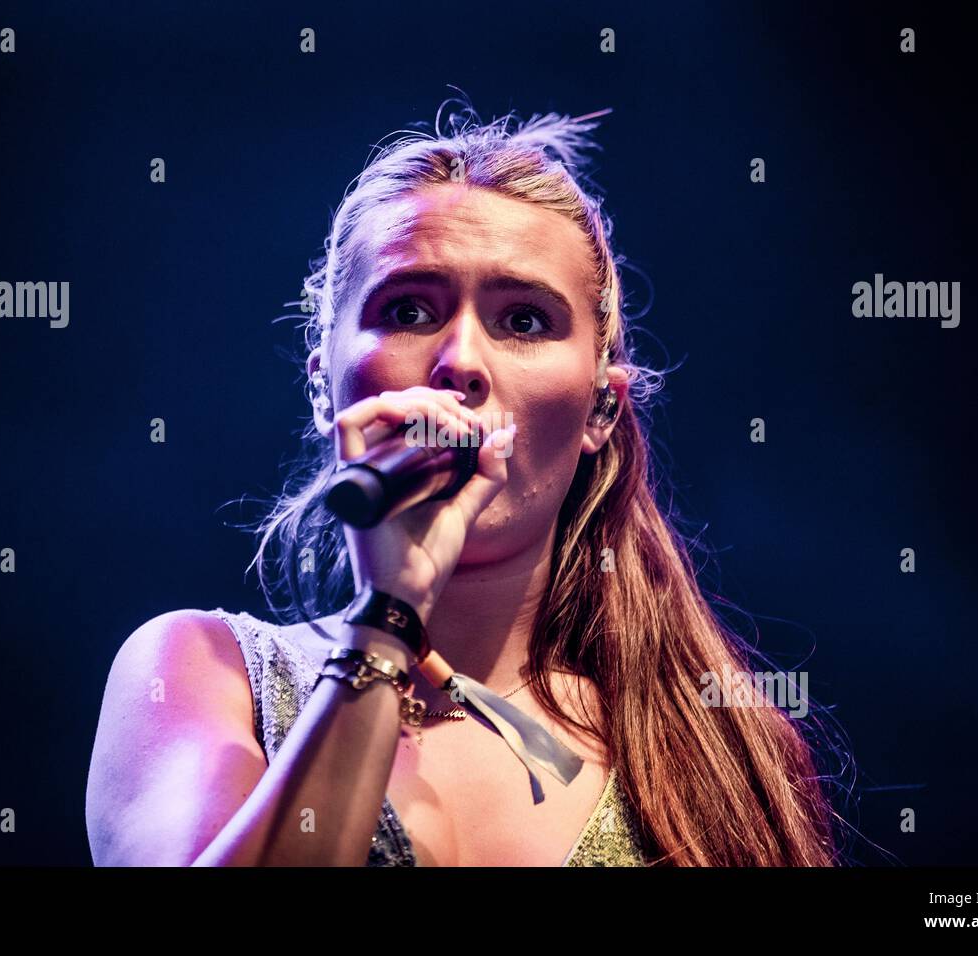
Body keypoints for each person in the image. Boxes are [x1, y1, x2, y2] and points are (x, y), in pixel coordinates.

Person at [85, 100, 845, 866]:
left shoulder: (711, 748)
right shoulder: (202, 673)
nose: (462, 363)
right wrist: (388, 621)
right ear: (324, 387)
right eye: (409, 309)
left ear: (602, 406)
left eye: (524, 322)